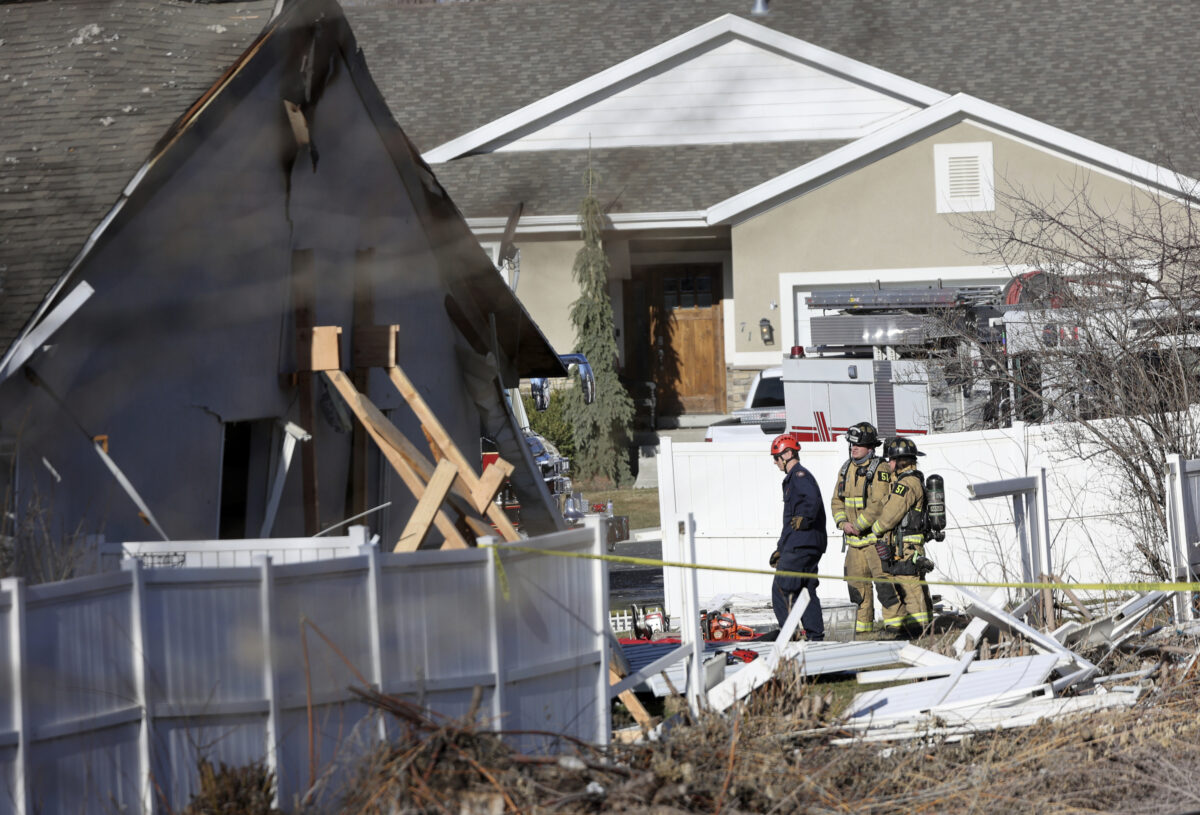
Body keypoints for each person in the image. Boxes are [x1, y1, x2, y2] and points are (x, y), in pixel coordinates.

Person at [830, 421, 905, 635]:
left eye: (858, 445)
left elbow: (878, 503)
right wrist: (843, 523)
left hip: (874, 540)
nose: (853, 448)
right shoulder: (845, 469)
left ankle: (894, 627)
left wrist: (858, 525)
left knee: (885, 586)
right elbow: (836, 501)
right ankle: (863, 629)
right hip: (854, 544)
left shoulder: (879, 469)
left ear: (870, 447)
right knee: (857, 588)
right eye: (851, 444)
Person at [869, 436, 931, 636]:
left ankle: (918, 630)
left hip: (907, 545)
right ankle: (919, 627)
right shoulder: (909, 480)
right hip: (906, 544)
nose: (888, 463)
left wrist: (876, 530)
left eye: (891, 460)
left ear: (898, 461)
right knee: (910, 584)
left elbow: (890, 515)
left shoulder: (907, 484)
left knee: (909, 586)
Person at [768, 433, 826, 640]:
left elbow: (812, 501)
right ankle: (815, 638)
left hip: (803, 542)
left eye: (776, 457)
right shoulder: (794, 479)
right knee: (805, 590)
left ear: (788, 453)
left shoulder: (800, 476)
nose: (775, 462)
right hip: (805, 543)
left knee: (781, 589)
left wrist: (806, 518)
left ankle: (788, 638)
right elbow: (789, 522)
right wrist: (780, 549)